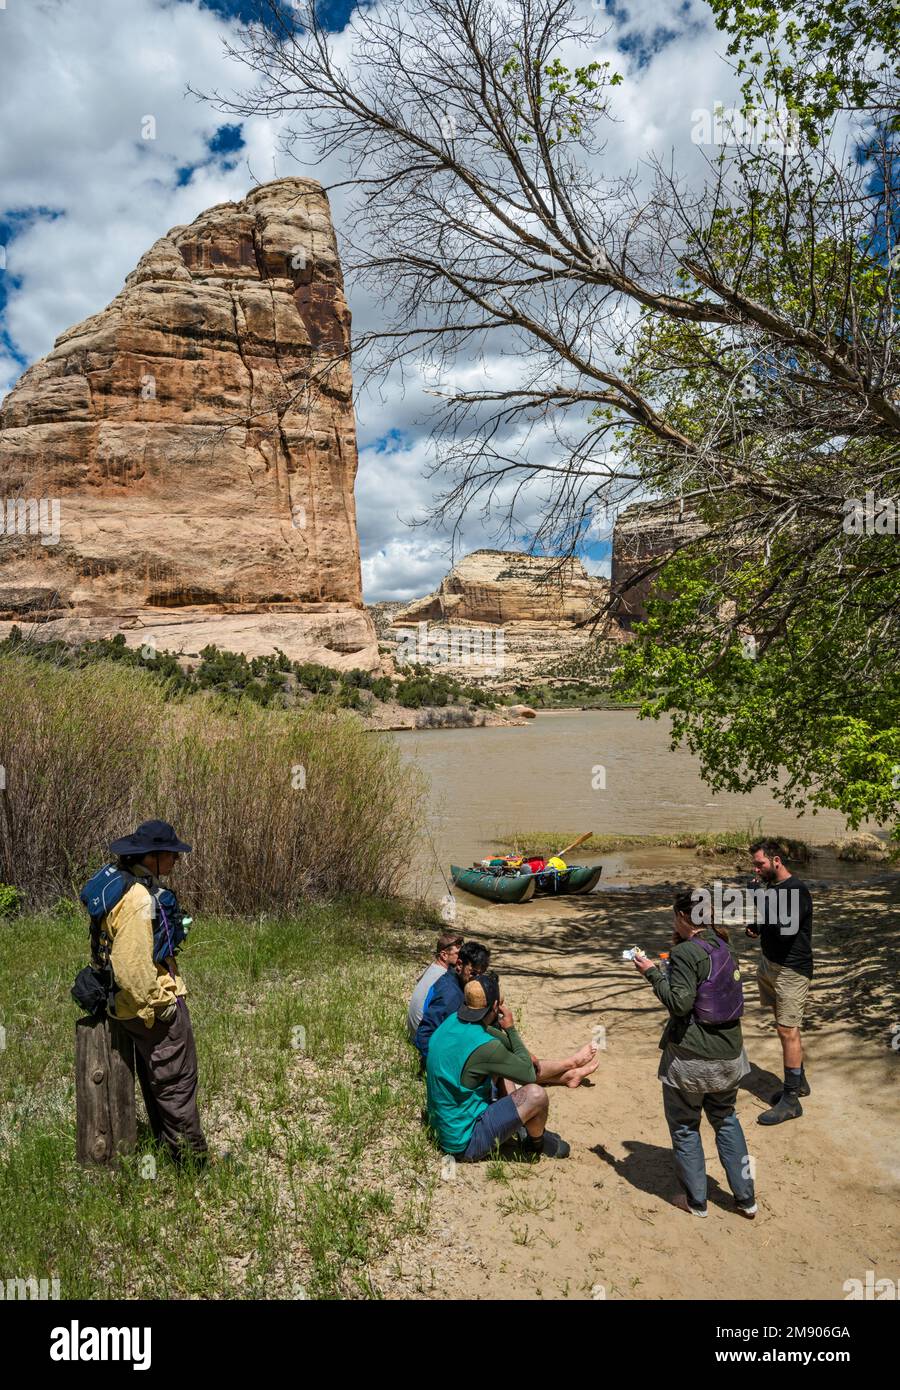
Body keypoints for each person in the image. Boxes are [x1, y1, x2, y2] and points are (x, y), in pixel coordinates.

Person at [87, 819, 208, 1162]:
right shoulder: (139, 898)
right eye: (171, 854)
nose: (176, 861)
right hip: (147, 1006)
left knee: (160, 1083)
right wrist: (161, 1005)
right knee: (177, 1082)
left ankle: (170, 1150)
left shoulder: (121, 885)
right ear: (151, 856)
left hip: (122, 1005)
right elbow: (131, 965)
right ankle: (192, 1163)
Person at [632, 890, 757, 1219]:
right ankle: (746, 1199)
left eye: (675, 916)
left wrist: (651, 972)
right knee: (726, 1120)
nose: (673, 921)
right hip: (731, 1056)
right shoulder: (725, 945)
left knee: (686, 1126)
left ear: (684, 918)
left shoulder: (688, 952)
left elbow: (679, 1003)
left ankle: (696, 1201)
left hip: (693, 1059)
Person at [426, 971, 571, 1161]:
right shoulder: (487, 1047)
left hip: (441, 1126)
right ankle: (535, 1144)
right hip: (464, 1142)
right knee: (536, 1095)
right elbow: (528, 1073)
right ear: (496, 1006)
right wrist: (510, 1028)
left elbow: (494, 1039)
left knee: (500, 1067)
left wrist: (508, 1038)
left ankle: (519, 1124)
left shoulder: (452, 1021)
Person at [746, 838, 814, 1125]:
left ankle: (790, 1102)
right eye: (754, 864)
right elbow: (772, 923)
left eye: (760, 863)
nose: (756, 869)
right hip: (770, 965)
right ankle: (799, 1082)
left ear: (776, 861)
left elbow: (787, 930)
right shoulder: (773, 888)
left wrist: (758, 897)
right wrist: (757, 927)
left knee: (788, 1030)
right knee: (784, 1027)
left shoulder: (796, 890)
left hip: (791, 970)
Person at [415, 940, 490, 1060]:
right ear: (460, 965)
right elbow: (424, 1033)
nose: (477, 980)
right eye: (473, 973)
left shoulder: (452, 980)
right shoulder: (452, 994)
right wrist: (437, 1065)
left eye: (481, 975)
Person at [407, 931, 463, 1041]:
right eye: (458, 954)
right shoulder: (443, 978)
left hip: (413, 1031)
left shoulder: (431, 967)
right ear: (444, 955)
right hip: (422, 1037)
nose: (461, 958)